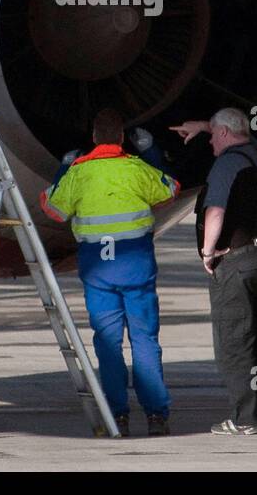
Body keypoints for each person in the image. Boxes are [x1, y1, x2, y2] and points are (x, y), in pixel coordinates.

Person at [40, 108, 180, 437]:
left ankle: (117, 415)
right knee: (145, 339)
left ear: (93, 138)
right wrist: (151, 152)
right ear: (121, 138)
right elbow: (171, 189)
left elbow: (53, 209)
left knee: (107, 343)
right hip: (136, 266)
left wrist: (64, 167)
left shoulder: (79, 172)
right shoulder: (136, 168)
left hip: (99, 270)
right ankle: (157, 415)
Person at [171, 107, 257, 435]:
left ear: (223, 134)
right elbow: (240, 131)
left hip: (237, 264)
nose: (210, 146)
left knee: (234, 346)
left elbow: (216, 211)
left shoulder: (227, 164)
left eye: (213, 138)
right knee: (256, 345)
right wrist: (205, 124)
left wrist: (207, 252)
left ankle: (245, 419)